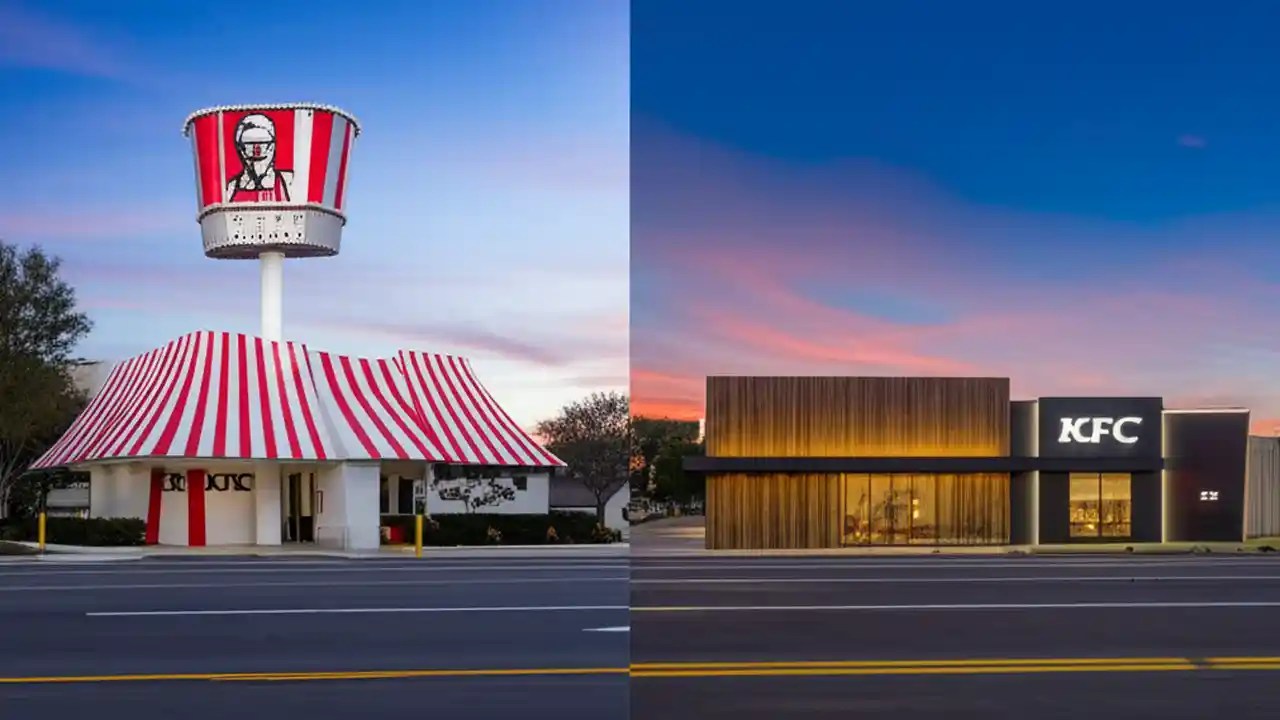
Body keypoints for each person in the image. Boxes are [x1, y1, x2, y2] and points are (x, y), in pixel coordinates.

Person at [225, 113, 293, 202]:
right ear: (241, 149)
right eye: (249, 144)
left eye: (264, 143)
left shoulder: (287, 181)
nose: (257, 150)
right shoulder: (232, 187)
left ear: (272, 146)